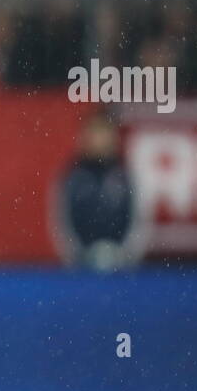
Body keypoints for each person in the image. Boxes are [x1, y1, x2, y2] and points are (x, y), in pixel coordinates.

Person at [57, 109, 141, 270]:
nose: (101, 139)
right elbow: (61, 222)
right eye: (96, 133)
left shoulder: (126, 176)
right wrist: (78, 255)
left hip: (121, 266)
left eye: (106, 133)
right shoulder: (72, 176)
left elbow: (139, 220)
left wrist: (122, 254)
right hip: (81, 266)